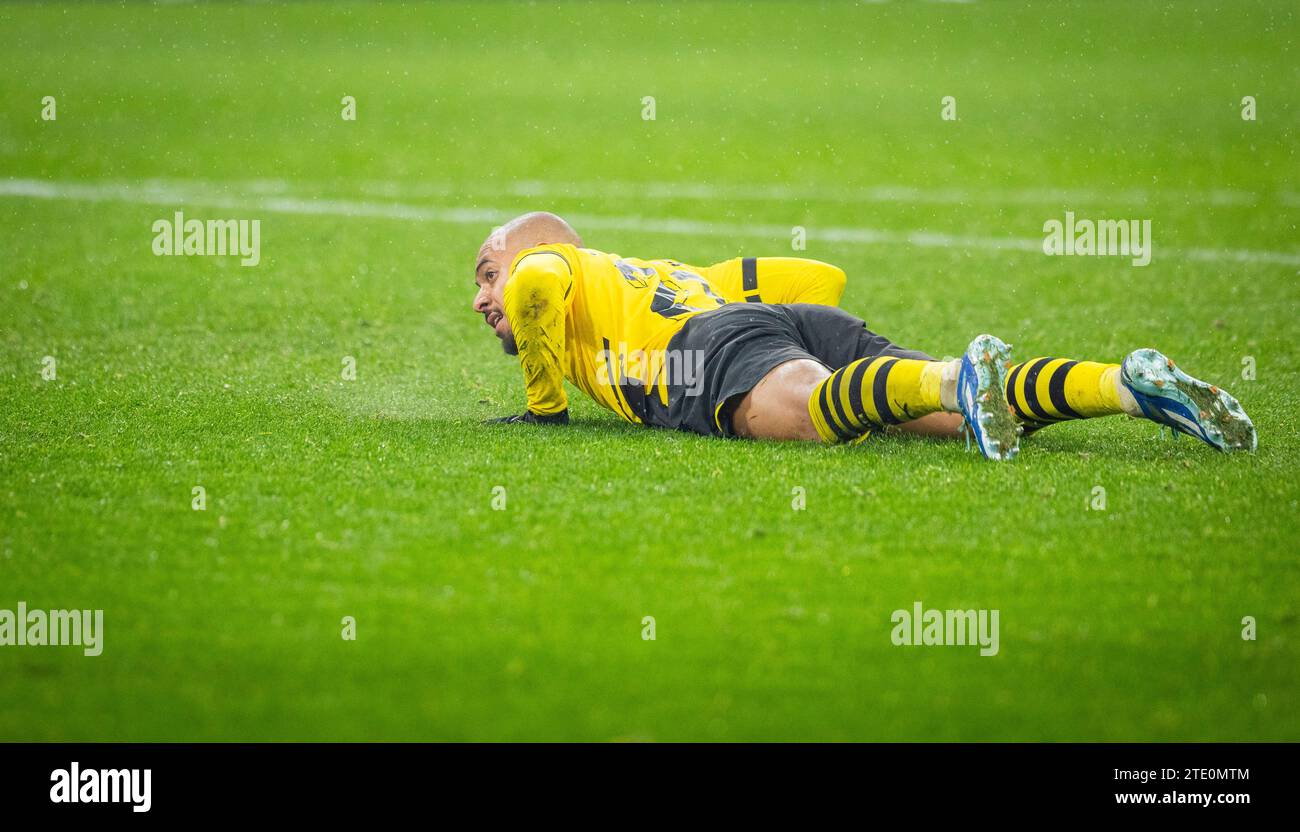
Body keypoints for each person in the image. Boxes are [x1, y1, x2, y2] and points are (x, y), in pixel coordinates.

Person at [471, 212, 1256, 460]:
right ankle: (1123, 385)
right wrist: (765, 324)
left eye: (485, 271)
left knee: (813, 415)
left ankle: (956, 378)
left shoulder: (551, 262)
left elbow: (537, 283)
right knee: (957, 421)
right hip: (778, 323)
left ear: (543, 245)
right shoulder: (666, 270)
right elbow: (821, 283)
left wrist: (545, 410)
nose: (483, 296)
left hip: (701, 352)